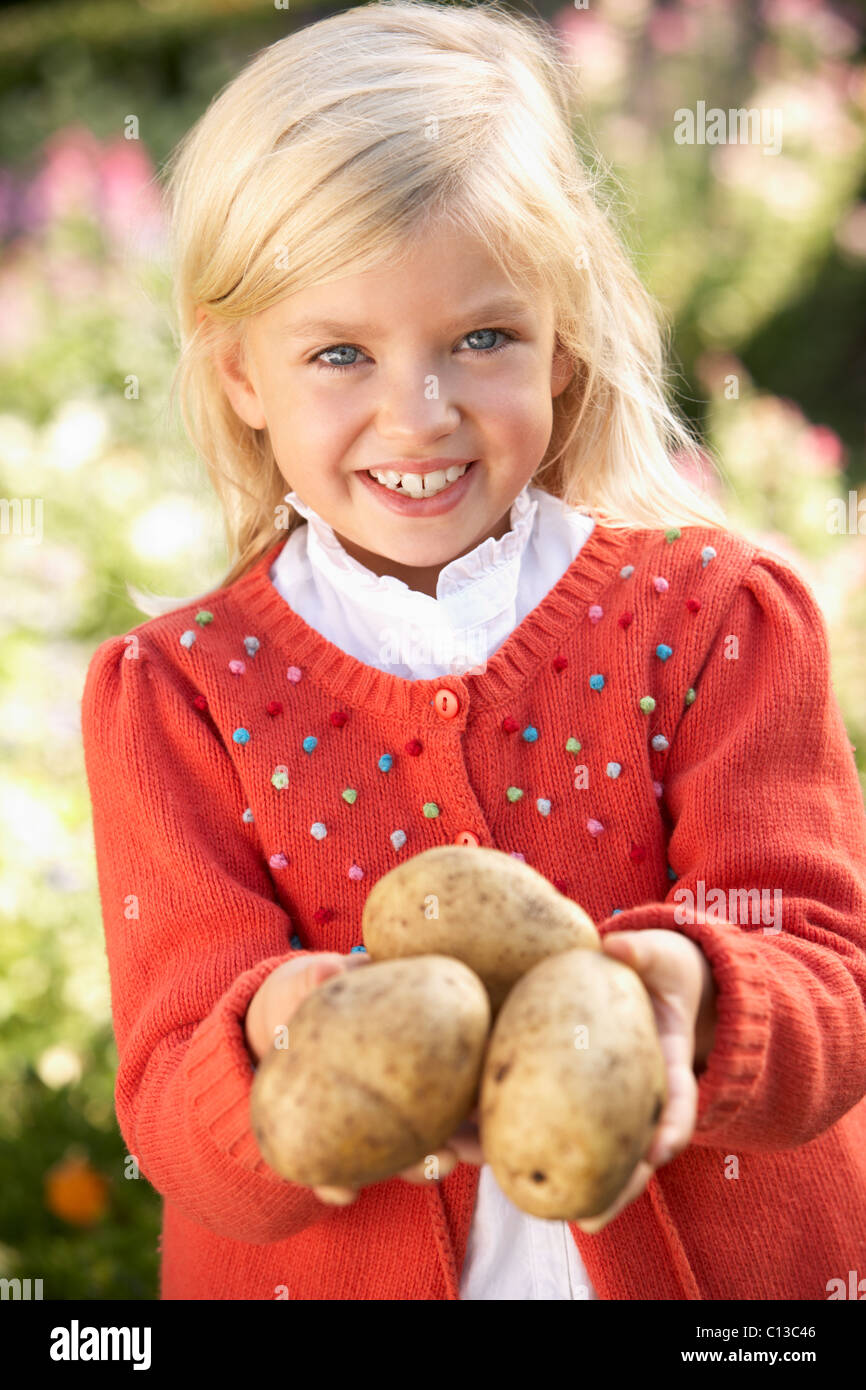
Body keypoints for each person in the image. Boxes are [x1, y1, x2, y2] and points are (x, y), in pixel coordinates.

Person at [81, 0, 866, 1301]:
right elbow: (174, 1104)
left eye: (480, 339)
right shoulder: (178, 697)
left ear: (561, 342)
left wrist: (694, 991)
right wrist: (284, 1030)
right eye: (339, 352)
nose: (420, 411)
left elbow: (828, 974)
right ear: (238, 379)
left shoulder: (715, 617)